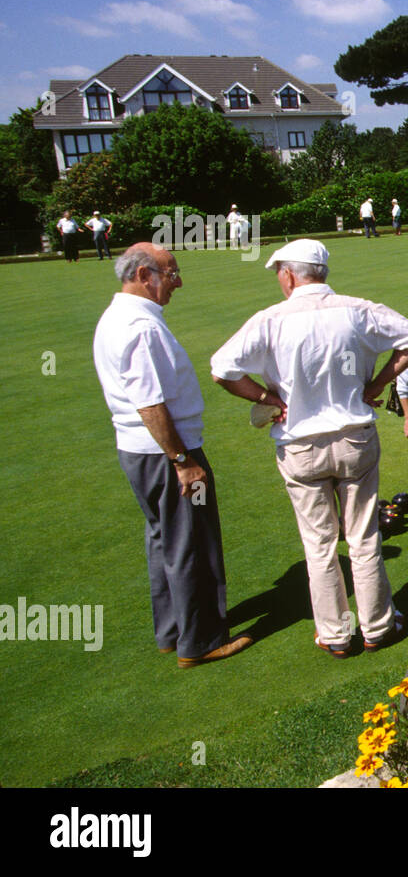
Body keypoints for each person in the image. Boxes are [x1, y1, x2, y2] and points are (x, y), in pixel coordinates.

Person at [210, 239, 408, 657]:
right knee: (363, 537)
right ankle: (377, 627)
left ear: (289, 275)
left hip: (299, 446)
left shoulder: (269, 319)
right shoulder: (358, 309)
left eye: (278, 273)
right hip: (355, 439)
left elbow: (221, 370)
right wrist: (376, 385)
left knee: (320, 544)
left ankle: (335, 634)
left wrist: (266, 399)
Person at [92, 243, 252, 668]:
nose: (178, 282)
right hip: (167, 455)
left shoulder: (119, 316)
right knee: (192, 541)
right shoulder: (140, 327)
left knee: (164, 540)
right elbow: (150, 403)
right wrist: (184, 461)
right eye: (172, 272)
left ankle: (173, 630)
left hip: (141, 453)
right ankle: (200, 641)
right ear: (145, 276)